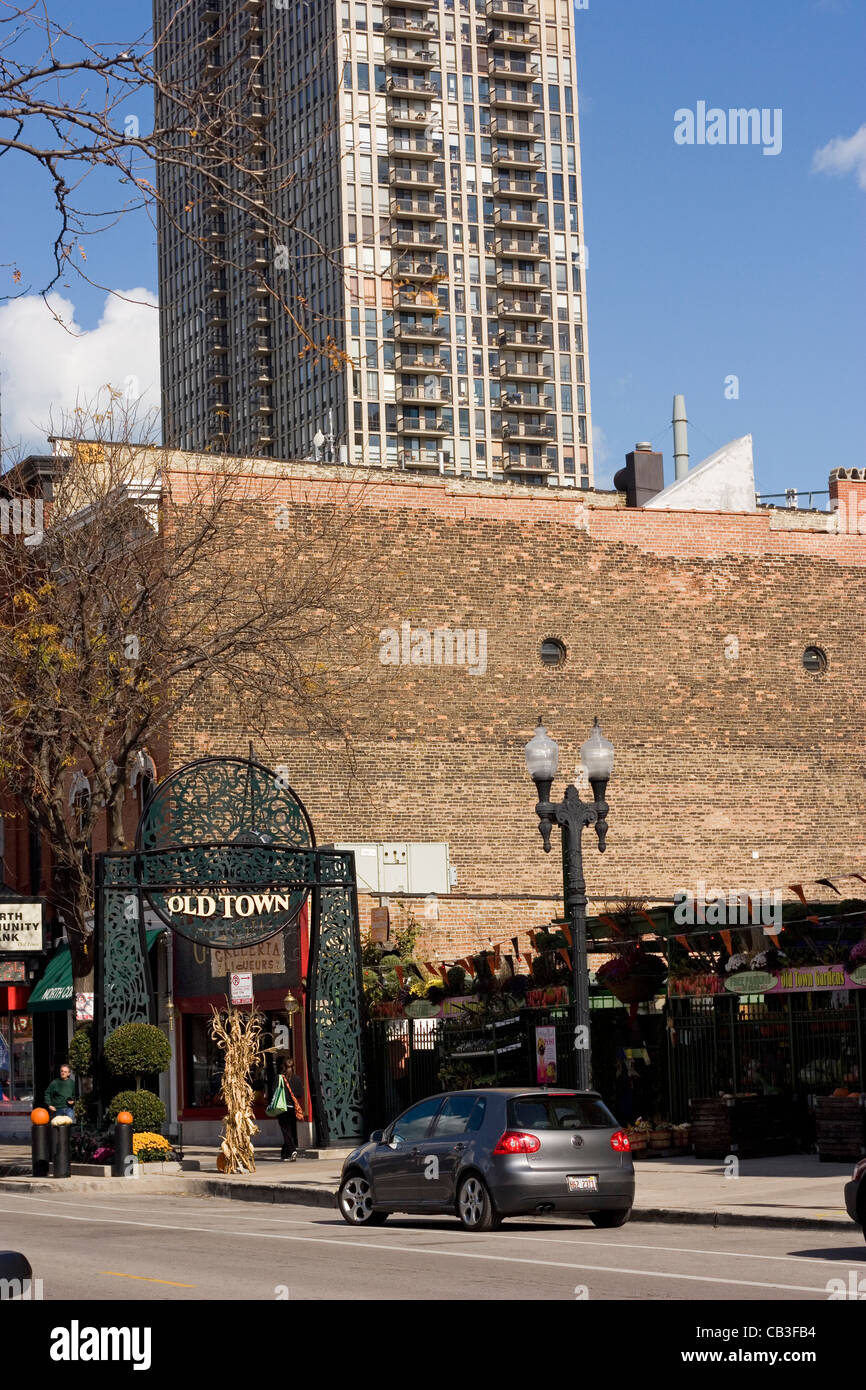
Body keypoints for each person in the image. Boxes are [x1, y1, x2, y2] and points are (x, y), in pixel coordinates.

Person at [275, 1056, 304, 1162]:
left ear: (283, 1066)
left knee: (286, 1131)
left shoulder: (279, 1078)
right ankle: (285, 1153)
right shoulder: (297, 1079)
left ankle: (292, 1150)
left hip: (282, 1107)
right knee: (289, 1130)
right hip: (292, 1108)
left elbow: (274, 1092)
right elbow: (300, 1094)